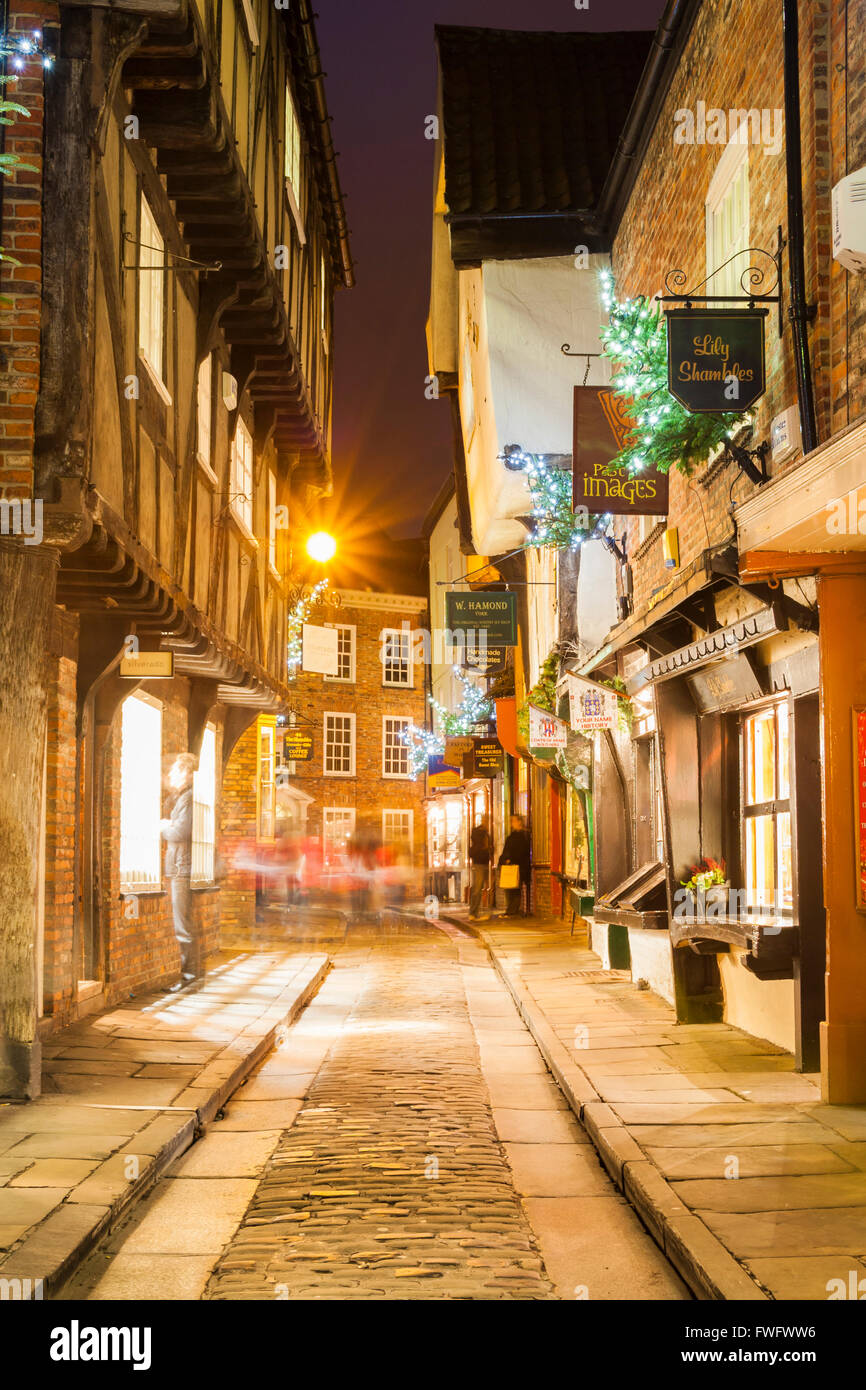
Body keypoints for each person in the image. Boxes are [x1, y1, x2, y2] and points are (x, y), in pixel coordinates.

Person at [160, 752, 200, 990]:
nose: (170, 775)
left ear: (186, 773)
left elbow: (179, 833)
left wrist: (163, 827)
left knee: (182, 925)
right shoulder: (182, 797)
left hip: (181, 867)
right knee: (184, 923)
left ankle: (188, 977)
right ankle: (190, 975)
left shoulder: (188, 798)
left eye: (175, 771)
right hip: (180, 865)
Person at [498, 813, 531, 917]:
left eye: (513, 821)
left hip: (519, 866)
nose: (511, 823)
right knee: (510, 889)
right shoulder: (512, 835)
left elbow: (522, 852)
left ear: (519, 822)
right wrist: (504, 860)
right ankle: (510, 909)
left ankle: (512, 911)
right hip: (511, 866)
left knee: (516, 888)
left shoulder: (523, 835)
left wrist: (511, 859)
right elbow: (507, 850)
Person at [468, 819, 491, 921]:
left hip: (483, 864)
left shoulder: (483, 835)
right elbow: (475, 850)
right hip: (479, 865)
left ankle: (476, 912)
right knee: (477, 889)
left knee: (479, 889)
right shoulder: (480, 836)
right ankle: (473, 913)